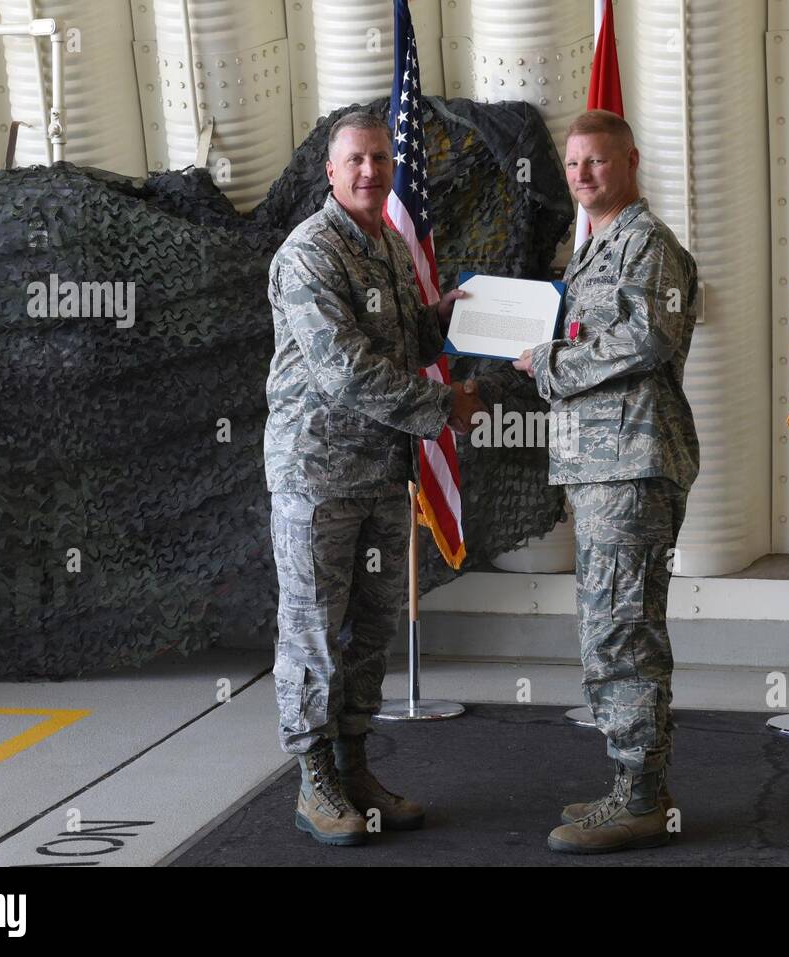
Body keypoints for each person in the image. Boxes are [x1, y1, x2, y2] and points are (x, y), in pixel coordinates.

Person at [265, 110, 484, 846]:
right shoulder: (309, 252)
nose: (370, 172)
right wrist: (440, 406)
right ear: (330, 171)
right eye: (356, 160)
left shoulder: (387, 242)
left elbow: (396, 339)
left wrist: (445, 317)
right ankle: (313, 779)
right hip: (318, 474)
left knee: (371, 629)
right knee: (314, 631)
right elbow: (344, 368)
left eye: (381, 160)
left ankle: (356, 763)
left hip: (382, 470)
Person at [513, 109, 700, 854]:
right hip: (601, 467)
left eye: (597, 160)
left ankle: (642, 798)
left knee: (622, 629)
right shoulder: (594, 251)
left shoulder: (644, 245)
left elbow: (650, 337)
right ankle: (633, 782)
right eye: (573, 164)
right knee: (608, 626)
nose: (583, 174)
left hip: (632, 467)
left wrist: (551, 362)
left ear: (630, 161)